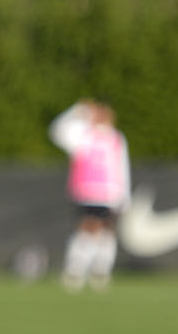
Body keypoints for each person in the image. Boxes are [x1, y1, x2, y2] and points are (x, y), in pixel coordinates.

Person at [49, 99, 129, 292]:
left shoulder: (116, 138)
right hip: (86, 193)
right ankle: (75, 271)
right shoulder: (82, 136)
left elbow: (122, 167)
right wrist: (77, 111)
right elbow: (56, 131)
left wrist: (124, 197)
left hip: (109, 194)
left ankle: (100, 272)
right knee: (87, 231)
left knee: (106, 234)